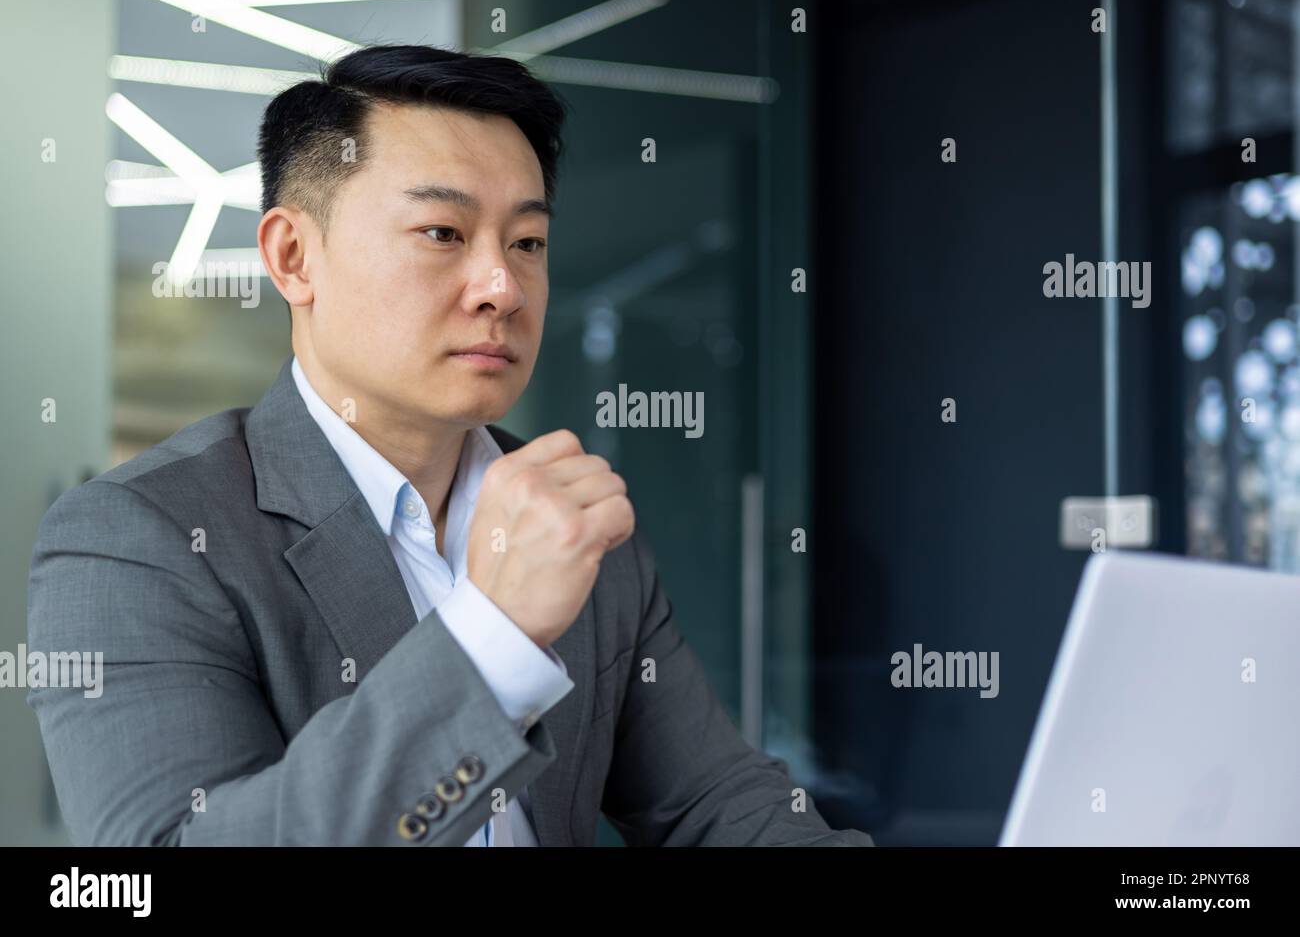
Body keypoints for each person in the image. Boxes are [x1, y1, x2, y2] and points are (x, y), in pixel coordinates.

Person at [26, 45, 871, 847]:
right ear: (293, 257)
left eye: (528, 242)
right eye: (442, 233)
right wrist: (494, 635)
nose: (502, 285)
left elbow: (718, 809)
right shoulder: (138, 538)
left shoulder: (572, 522)